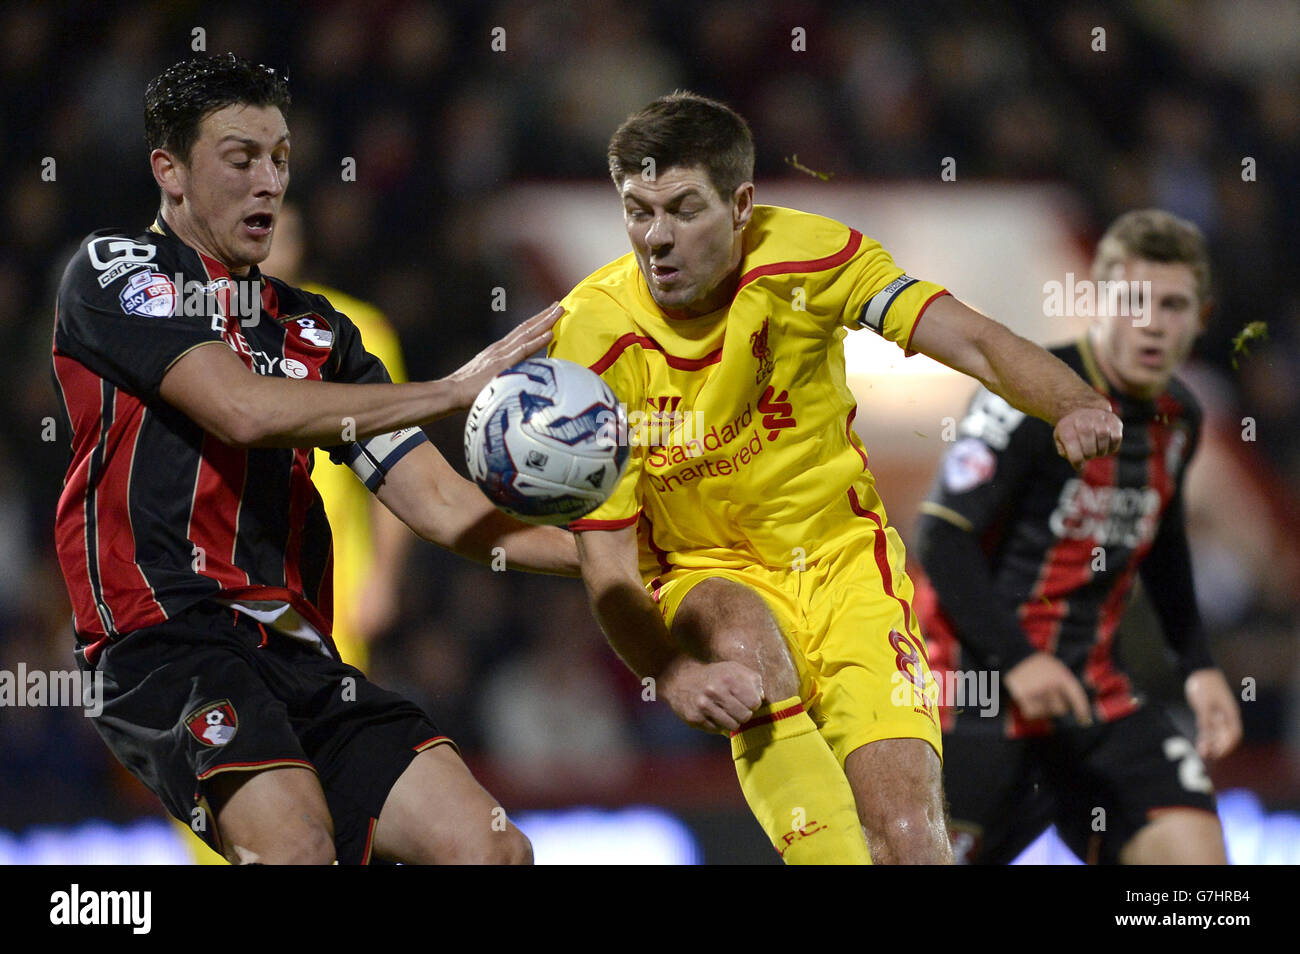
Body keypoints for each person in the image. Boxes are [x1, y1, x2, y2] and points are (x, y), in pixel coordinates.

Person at [548, 91, 1123, 864]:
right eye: (637, 211)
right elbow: (609, 561)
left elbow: (974, 341)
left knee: (909, 839)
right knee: (742, 634)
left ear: (741, 205)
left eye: (683, 210)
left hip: (846, 566)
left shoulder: (812, 258)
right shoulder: (591, 337)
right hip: (701, 574)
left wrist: (1071, 401)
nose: (656, 237)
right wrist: (672, 670)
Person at [51, 53, 570, 865]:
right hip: (167, 638)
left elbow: (441, 505)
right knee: (294, 847)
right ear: (170, 171)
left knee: (492, 848)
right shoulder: (117, 273)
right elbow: (242, 410)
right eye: (241, 158)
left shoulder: (319, 332)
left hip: (298, 647)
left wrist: (615, 556)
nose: (269, 182)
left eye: (281, 158)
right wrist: (448, 391)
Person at [912, 209, 1243, 864]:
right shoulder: (1029, 389)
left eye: (1173, 305)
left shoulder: (1179, 417)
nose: (1153, 323)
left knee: (1197, 875)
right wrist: (1018, 659)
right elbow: (942, 538)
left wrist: (1199, 668)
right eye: (1134, 302)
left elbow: (1163, 545)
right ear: (1100, 301)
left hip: (1092, 701)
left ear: (1201, 317)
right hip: (974, 695)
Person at [261, 203, 411, 672]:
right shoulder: (203, 324)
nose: (269, 247)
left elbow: (398, 460)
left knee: (330, 705)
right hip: (232, 573)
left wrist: (383, 576)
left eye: (280, 232)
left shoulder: (356, 327)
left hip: (331, 579)